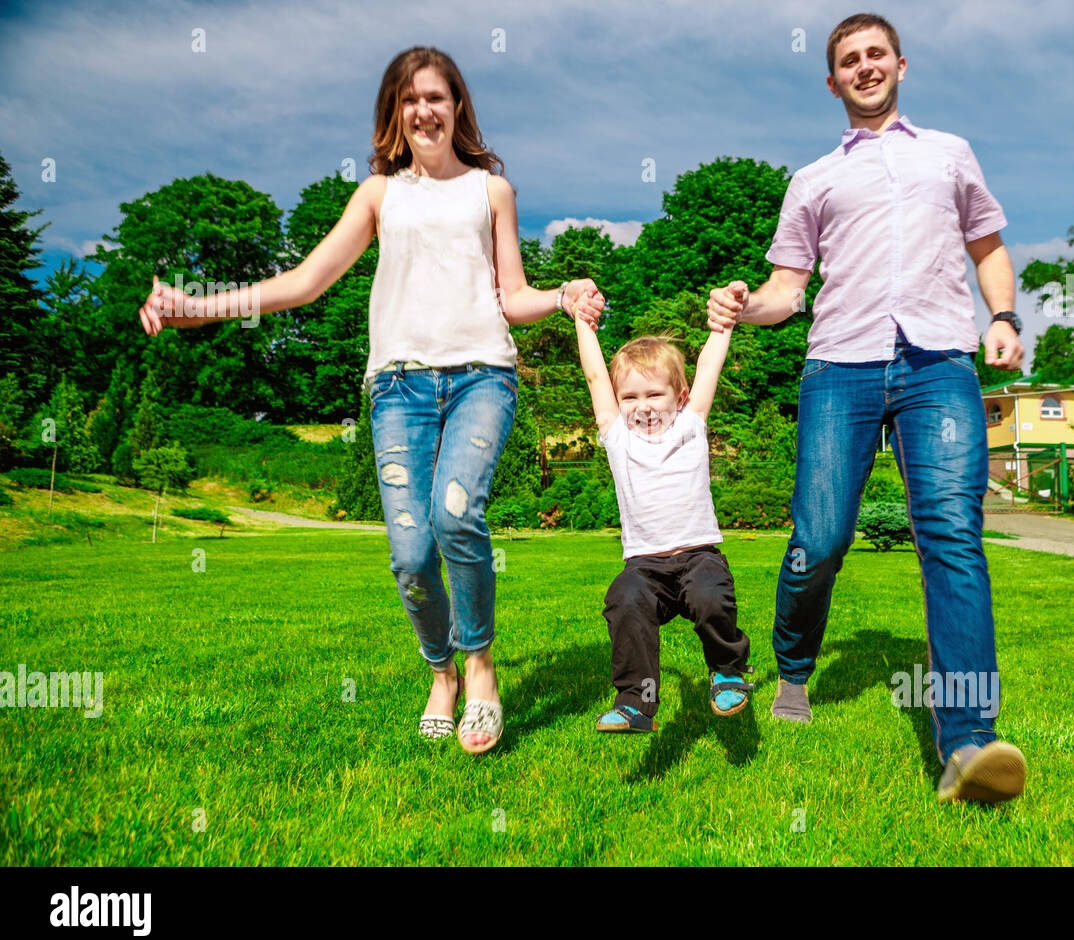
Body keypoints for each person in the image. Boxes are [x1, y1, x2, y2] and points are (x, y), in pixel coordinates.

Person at [138, 46, 605, 755]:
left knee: (456, 514)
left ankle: (480, 666)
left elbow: (512, 297)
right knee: (412, 554)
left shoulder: (490, 191)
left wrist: (564, 291)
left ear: (457, 107)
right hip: (397, 385)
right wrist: (198, 306)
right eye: (410, 98)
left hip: (482, 373)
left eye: (438, 97)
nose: (425, 110)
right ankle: (440, 673)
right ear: (395, 111)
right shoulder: (379, 195)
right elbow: (305, 281)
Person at [706, 13, 1027, 803]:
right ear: (832, 81)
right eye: (848, 60)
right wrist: (743, 306)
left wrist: (1005, 319)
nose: (864, 67)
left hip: (939, 361)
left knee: (952, 536)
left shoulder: (949, 154)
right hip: (839, 366)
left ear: (901, 65)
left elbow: (987, 247)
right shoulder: (814, 179)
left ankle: (968, 744)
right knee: (819, 538)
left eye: (875, 54)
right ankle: (792, 668)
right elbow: (788, 291)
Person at [573, 314, 753, 732]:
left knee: (710, 596)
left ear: (681, 395)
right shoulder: (617, 437)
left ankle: (727, 670)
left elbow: (709, 366)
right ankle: (636, 702)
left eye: (655, 394)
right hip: (645, 566)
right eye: (630, 397)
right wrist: (583, 322)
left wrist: (723, 323)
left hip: (698, 556)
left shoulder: (691, 426)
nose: (643, 406)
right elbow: (596, 377)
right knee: (625, 599)